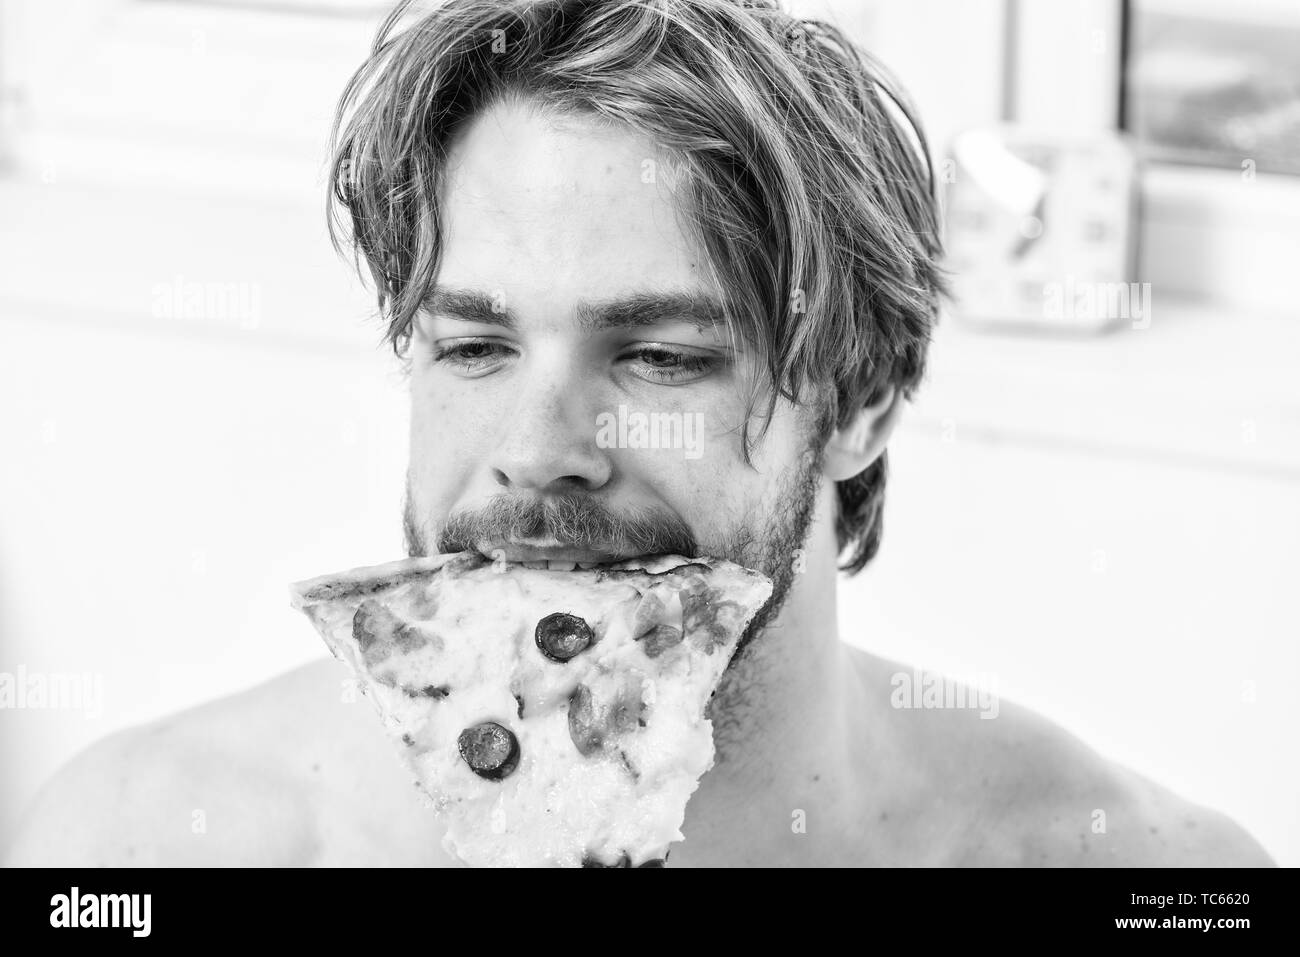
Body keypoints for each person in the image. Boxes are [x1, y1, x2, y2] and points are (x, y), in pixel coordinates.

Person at [4, 0, 1273, 867]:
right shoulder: (141, 846)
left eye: (660, 354)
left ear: (859, 397)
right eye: (476, 346)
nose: (540, 445)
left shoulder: (1144, 876)